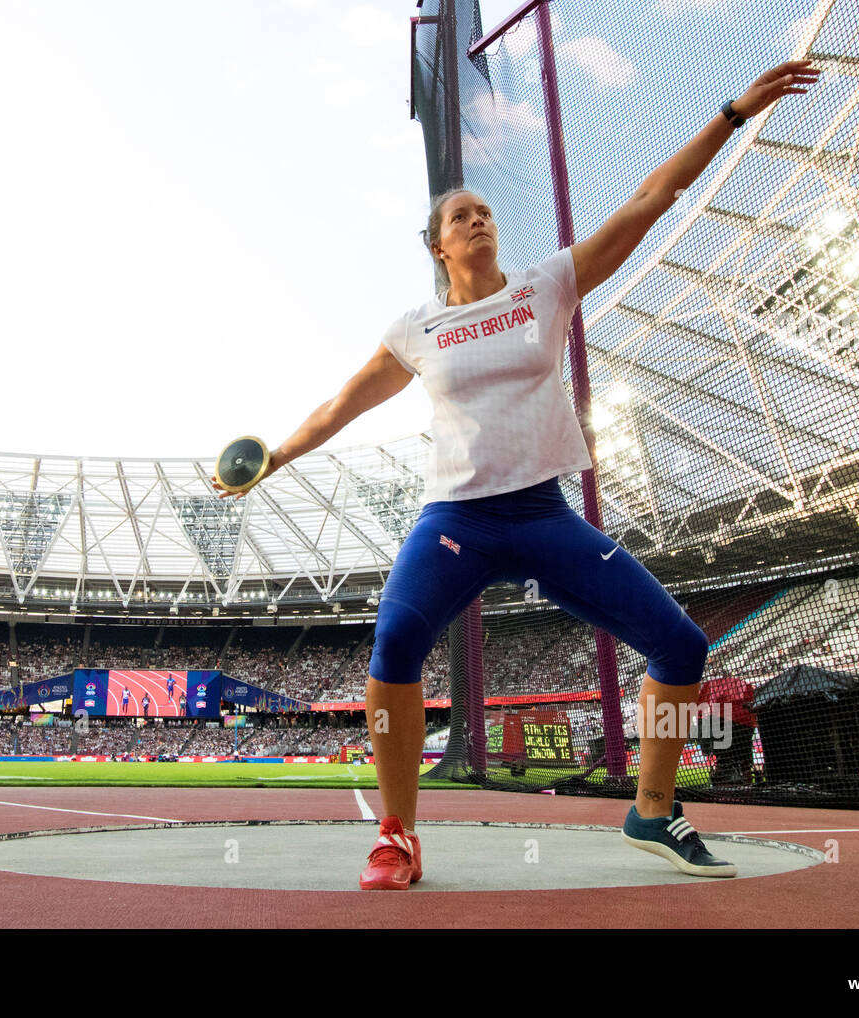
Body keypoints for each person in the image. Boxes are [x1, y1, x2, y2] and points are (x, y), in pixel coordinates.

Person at [213, 60, 821, 889]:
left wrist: (730, 111)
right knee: (394, 641)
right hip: (457, 518)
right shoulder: (418, 327)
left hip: (541, 514)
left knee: (682, 645)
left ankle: (651, 807)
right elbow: (343, 402)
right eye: (461, 216)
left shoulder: (546, 287)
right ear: (438, 245)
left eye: (486, 211)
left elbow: (649, 199)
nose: (478, 220)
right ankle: (398, 834)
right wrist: (276, 455)